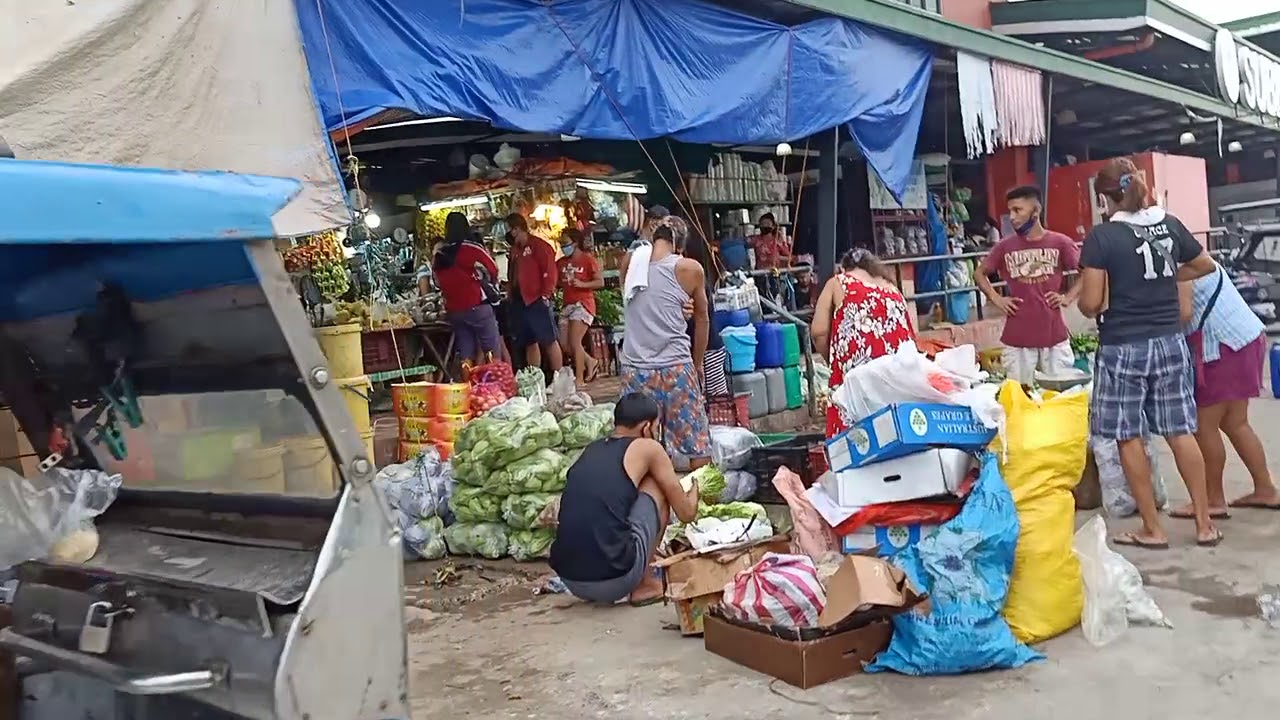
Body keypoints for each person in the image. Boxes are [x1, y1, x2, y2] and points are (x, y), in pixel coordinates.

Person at [1077, 156, 1220, 549]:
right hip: (1170, 340)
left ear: (1106, 197)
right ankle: (1205, 523)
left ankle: (1153, 529)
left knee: (1128, 437)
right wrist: (1167, 275)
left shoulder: (1102, 238)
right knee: (1180, 431)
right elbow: (1204, 263)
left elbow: (1090, 304)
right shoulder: (1168, 224)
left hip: (1123, 345)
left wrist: (1095, 299)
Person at [549, 393, 700, 606]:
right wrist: (694, 488)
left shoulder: (592, 449)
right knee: (658, 486)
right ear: (647, 428)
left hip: (571, 580)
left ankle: (637, 567)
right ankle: (645, 585)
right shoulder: (649, 448)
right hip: (616, 580)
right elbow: (686, 513)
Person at [1167, 264, 1277, 519]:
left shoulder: (1181, 265)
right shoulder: (1198, 256)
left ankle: (1213, 500)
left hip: (1222, 346)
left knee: (1204, 427)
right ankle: (1265, 489)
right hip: (1244, 337)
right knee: (1235, 422)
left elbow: (1184, 313)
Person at [618, 218, 713, 466]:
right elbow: (703, 320)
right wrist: (698, 363)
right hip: (676, 369)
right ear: (679, 245)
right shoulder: (690, 269)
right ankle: (703, 504)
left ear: (654, 238)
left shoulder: (630, 264)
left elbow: (637, 300)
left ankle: (650, 503)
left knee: (639, 447)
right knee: (697, 444)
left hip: (635, 370)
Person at [976, 186, 1081, 385]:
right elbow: (979, 273)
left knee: (1060, 396)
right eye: (1010, 211)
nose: (1012, 217)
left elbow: (1087, 271)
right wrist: (996, 298)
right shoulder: (1005, 246)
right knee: (1019, 395)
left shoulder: (1060, 242)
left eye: (1018, 210)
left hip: (1054, 337)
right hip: (1018, 339)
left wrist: (1068, 297)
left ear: (1036, 210)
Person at [811, 247, 915, 437]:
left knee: (856, 437)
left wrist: (835, 362)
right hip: (899, 377)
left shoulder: (838, 282)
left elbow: (818, 332)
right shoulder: (893, 289)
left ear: (844, 269)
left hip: (858, 376)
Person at [431, 212, 506, 365]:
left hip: (454, 311)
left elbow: (437, 283)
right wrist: (485, 279)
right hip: (477, 306)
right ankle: (494, 385)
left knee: (466, 353)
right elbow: (493, 268)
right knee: (491, 351)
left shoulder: (439, 254)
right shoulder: (471, 248)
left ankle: (470, 386)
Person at [506, 213, 563, 373]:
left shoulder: (540, 246)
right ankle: (534, 376)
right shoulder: (514, 250)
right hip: (519, 300)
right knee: (529, 341)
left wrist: (546, 294)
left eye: (509, 230)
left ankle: (559, 376)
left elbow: (550, 272)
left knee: (549, 339)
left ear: (517, 229)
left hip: (537, 299)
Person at [557, 229, 604, 385]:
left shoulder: (587, 260)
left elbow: (599, 282)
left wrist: (583, 284)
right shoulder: (561, 263)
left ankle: (579, 378)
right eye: (561, 244)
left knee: (575, 341)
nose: (563, 247)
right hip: (567, 303)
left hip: (583, 303)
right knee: (565, 344)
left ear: (575, 243)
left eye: (565, 243)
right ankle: (590, 361)